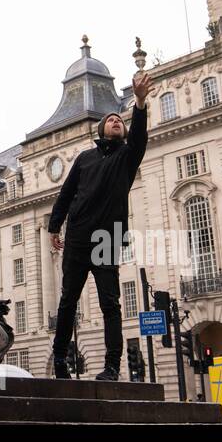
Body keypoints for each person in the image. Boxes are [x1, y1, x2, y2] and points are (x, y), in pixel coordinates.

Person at [47, 70, 152, 381]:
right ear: (101, 129)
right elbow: (65, 195)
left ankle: (111, 367)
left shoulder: (127, 156)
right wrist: (55, 227)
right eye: (110, 120)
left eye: (119, 120)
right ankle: (60, 361)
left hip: (107, 238)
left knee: (110, 304)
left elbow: (140, 135)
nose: (116, 121)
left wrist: (141, 102)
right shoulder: (84, 158)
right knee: (68, 302)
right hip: (78, 238)